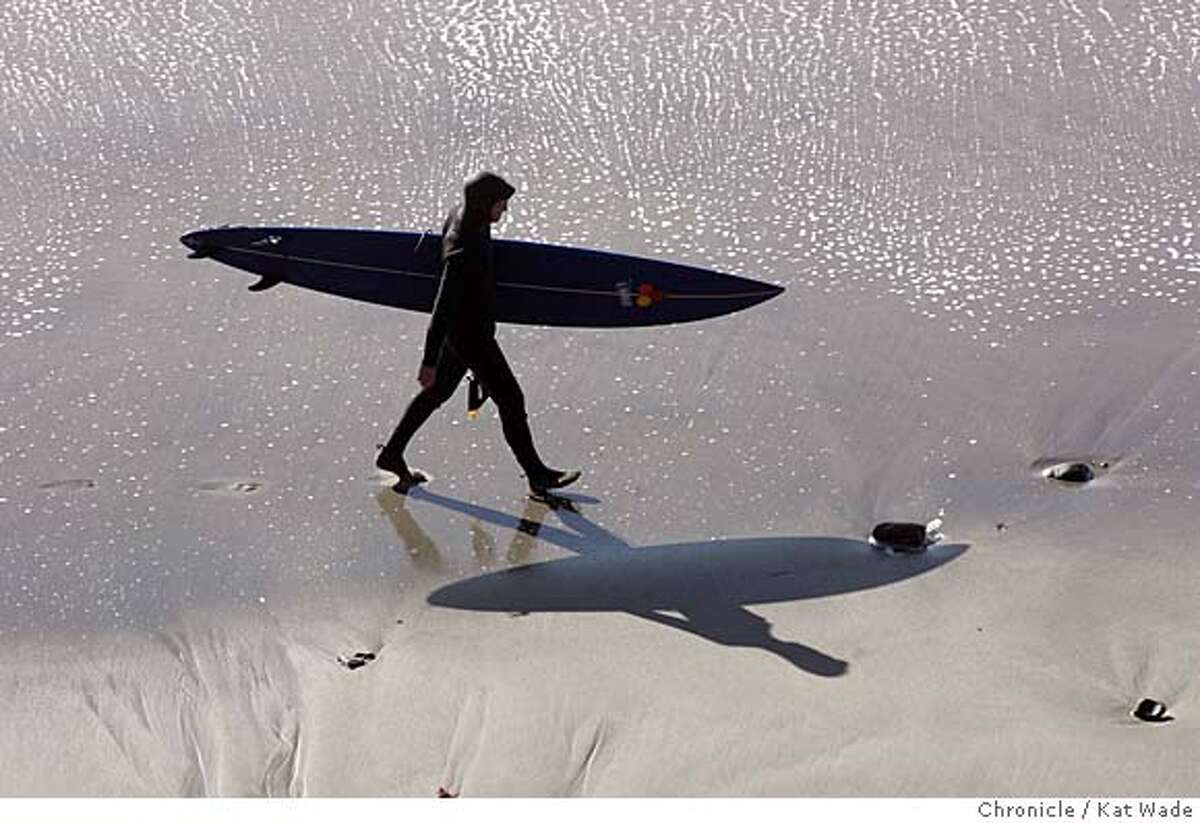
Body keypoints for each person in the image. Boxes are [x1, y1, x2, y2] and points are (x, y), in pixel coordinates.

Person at [376, 172, 580, 494]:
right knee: (511, 399)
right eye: (502, 204)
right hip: (470, 336)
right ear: (485, 205)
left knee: (438, 393)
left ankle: (391, 454)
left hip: (465, 332)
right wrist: (428, 361)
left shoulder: (462, 213)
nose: (506, 211)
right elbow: (441, 309)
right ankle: (537, 475)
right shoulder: (462, 254)